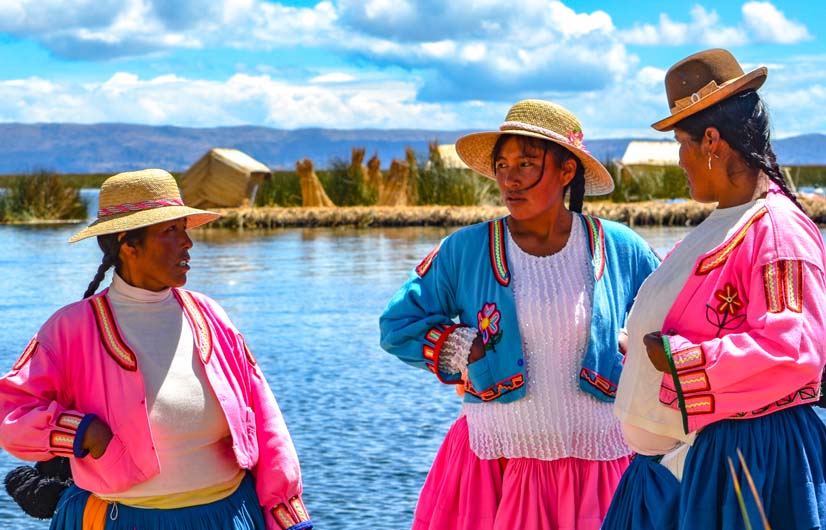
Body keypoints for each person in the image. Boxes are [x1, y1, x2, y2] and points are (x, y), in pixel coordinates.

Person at [379, 99, 660, 530]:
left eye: (527, 163)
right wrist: (458, 347)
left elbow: (677, 320)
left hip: (601, 467)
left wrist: (640, 347)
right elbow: (398, 325)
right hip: (497, 466)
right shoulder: (466, 251)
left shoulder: (620, 249)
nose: (510, 178)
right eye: (502, 164)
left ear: (567, 171)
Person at [0, 169, 313, 530]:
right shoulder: (72, 329)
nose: (188, 243)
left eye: (185, 228)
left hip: (229, 517)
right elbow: (11, 414)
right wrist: (81, 432)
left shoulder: (210, 316)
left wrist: (286, 514)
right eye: (170, 231)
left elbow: (264, 417)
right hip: (121, 520)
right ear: (128, 244)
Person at [604, 48, 826, 530]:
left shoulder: (777, 230)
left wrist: (684, 362)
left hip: (741, 470)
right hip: (688, 469)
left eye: (682, 143)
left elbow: (796, 350)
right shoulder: (722, 226)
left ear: (711, 140)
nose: (680, 160)